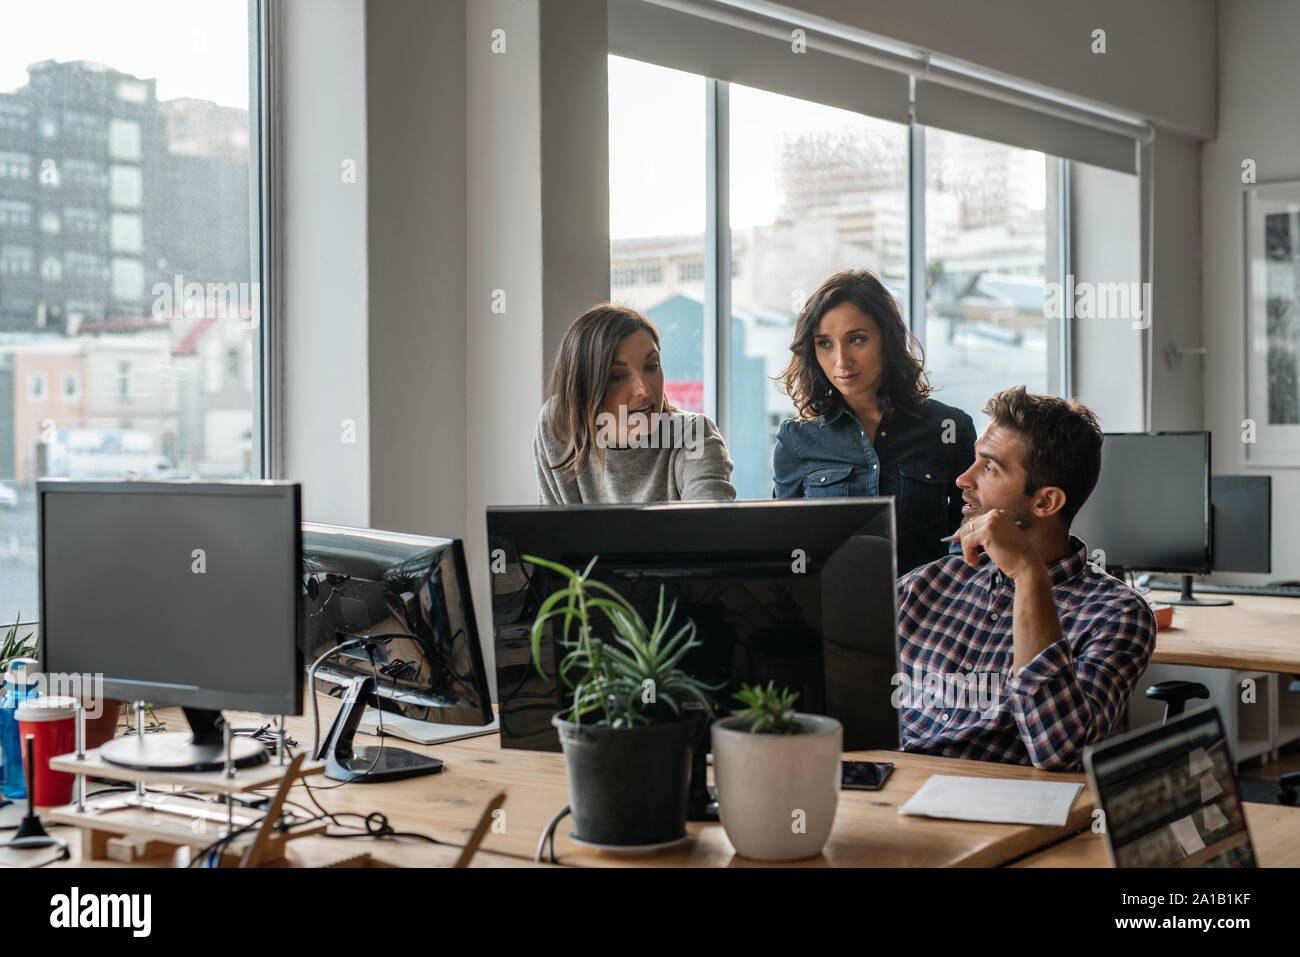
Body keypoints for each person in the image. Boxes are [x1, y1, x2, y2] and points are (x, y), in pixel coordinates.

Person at [895, 387, 1156, 771]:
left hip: (996, 813)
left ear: (1046, 502)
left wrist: (1027, 574)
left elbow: (1059, 751)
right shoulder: (925, 586)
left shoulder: (1116, 617)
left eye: (990, 468)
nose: (963, 480)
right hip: (887, 799)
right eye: (973, 462)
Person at [772, 269, 976, 573]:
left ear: (887, 338)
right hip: (832, 612)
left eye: (856, 339)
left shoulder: (948, 428)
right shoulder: (795, 440)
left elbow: (972, 534)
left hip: (931, 614)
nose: (842, 361)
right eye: (824, 343)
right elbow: (784, 550)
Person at [534, 304, 736, 504]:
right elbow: (552, 532)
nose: (645, 390)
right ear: (583, 387)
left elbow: (710, 529)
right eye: (617, 376)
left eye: (652, 366)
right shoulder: (557, 425)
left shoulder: (695, 436)